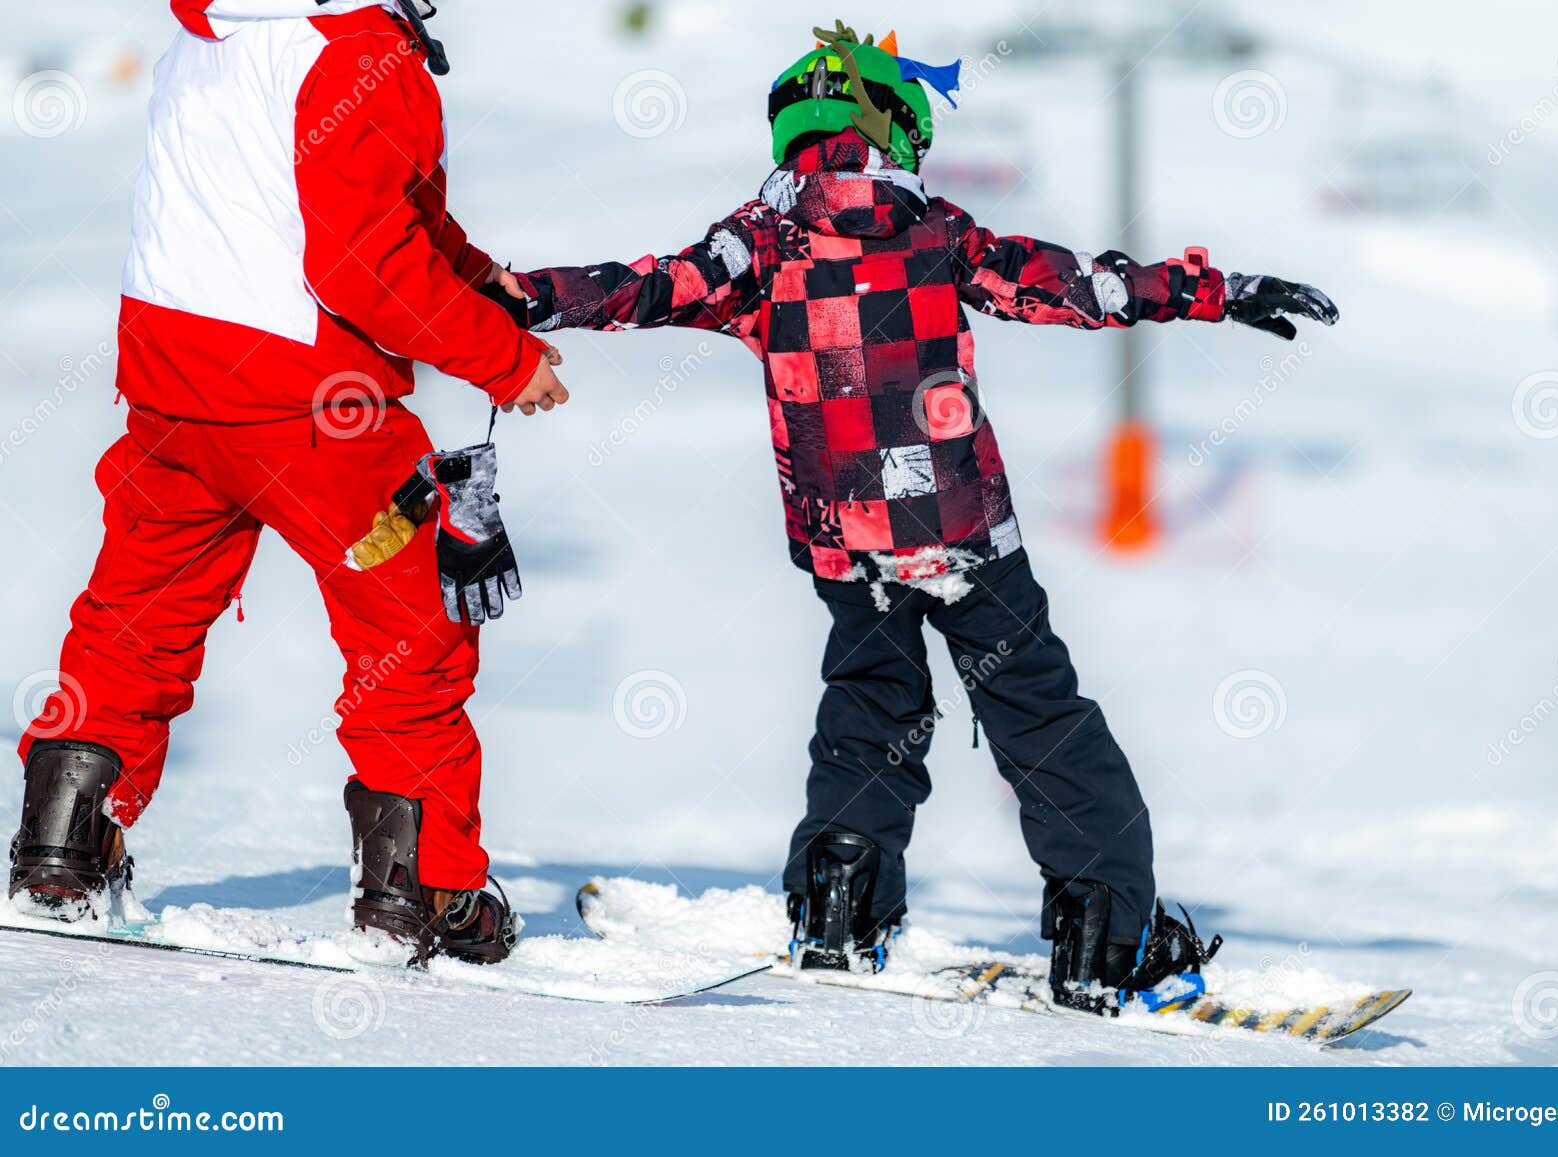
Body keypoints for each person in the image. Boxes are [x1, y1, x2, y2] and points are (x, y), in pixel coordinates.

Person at [491, 23, 1336, 1010]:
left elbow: (638, 289)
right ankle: (1104, 933)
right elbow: (1078, 287)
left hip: (843, 544)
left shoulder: (758, 240)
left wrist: (514, 296)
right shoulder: (937, 231)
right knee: (1039, 718)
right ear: (894, 131)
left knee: (871, 704)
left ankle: (838, 908)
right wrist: (1214, 290)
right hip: (959, 534)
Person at [6, 0, 569, 965]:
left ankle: (62, 848)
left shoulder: (211, 31)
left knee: (134, 613)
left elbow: (356, 203)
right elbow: (362, 262)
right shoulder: (357, 51)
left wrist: (473, 274)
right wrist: (503, 361)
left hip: (171, 391)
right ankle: (425, 890)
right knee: (413, 629)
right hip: (315, 410)